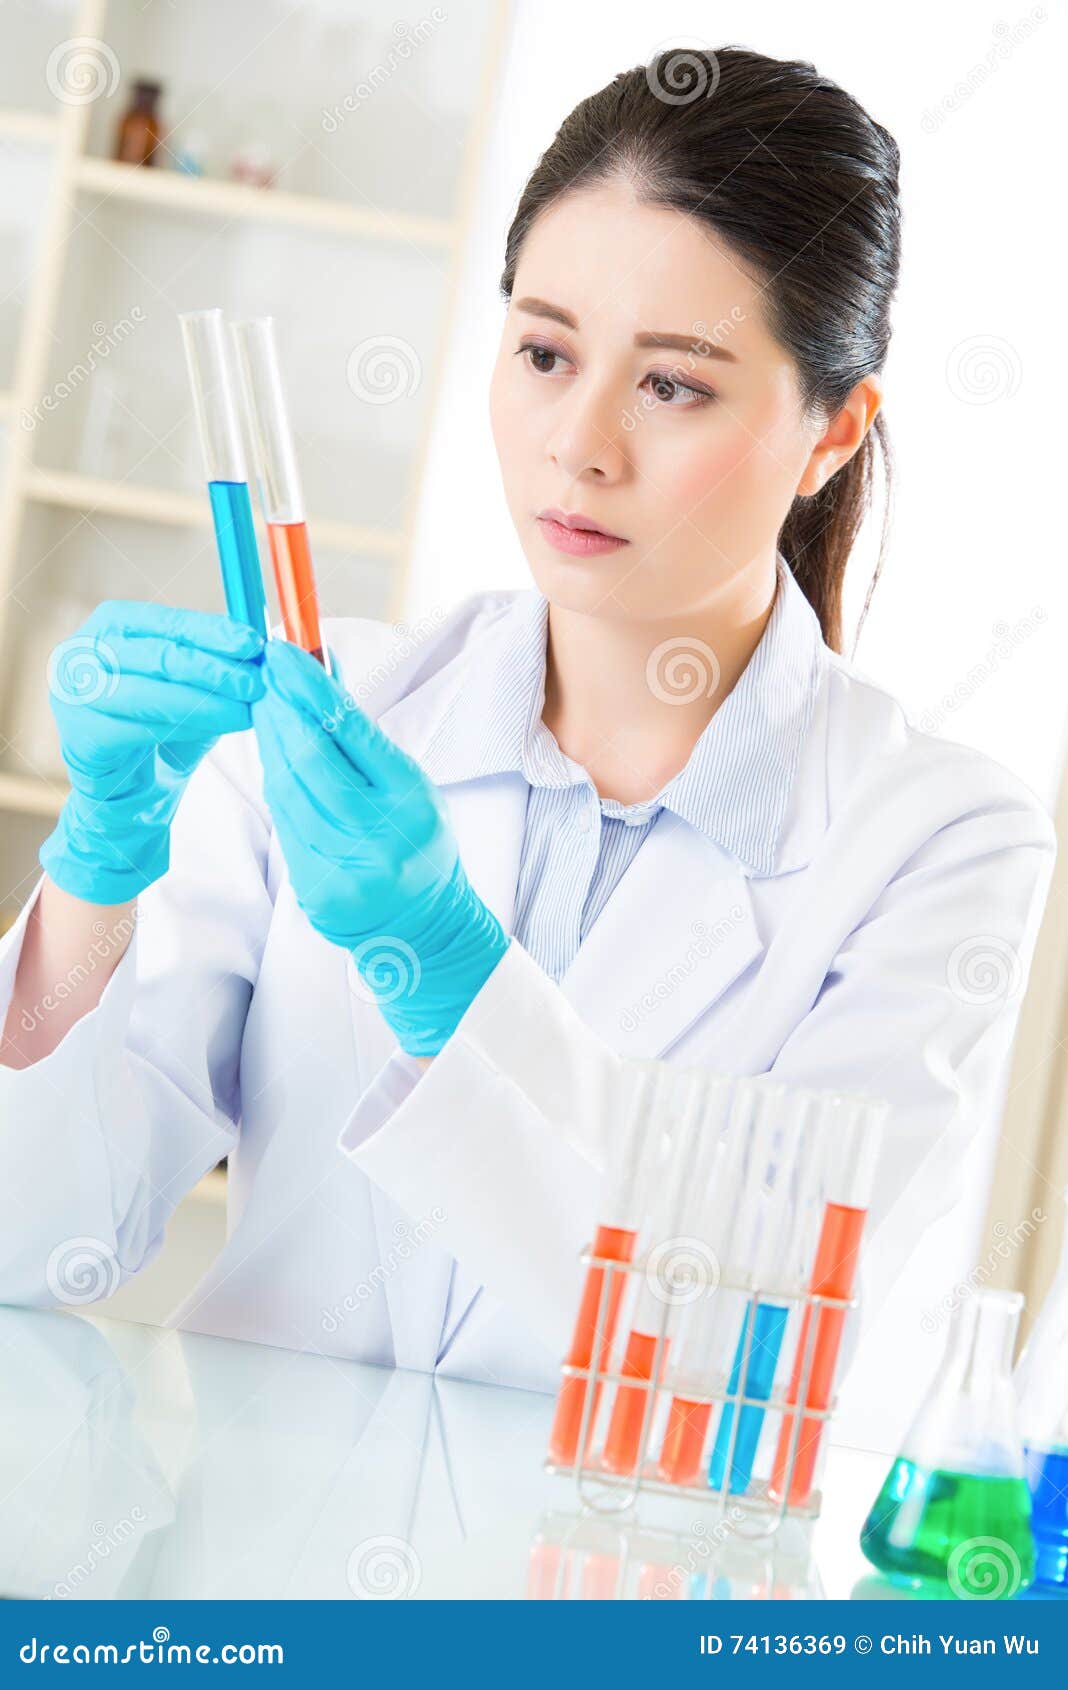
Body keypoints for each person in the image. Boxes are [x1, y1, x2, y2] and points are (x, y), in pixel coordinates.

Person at [0, 47, 1056, 1397]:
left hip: (598, 1545)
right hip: (241, 1533)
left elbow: (750, 1353)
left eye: (673, 384)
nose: (580, 444)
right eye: (546, 352)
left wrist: (451, 973)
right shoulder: (335, 715)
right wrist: (97, 867)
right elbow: (32, 1241)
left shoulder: (939, 841)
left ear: (834, 431)